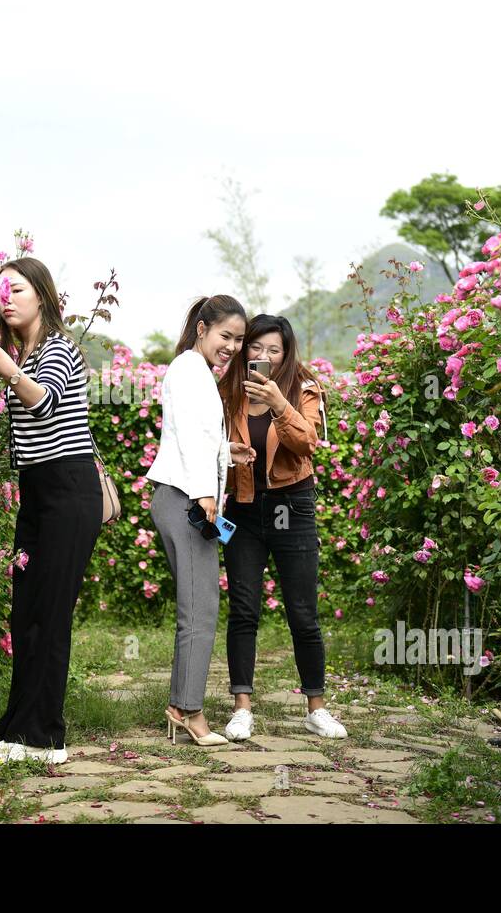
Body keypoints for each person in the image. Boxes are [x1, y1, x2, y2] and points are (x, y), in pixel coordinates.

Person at [0, 257, 102, 765]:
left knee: (48, 613)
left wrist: (3, 365)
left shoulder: (59, 349)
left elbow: (43, 403)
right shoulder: (25, 351)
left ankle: (47, 739)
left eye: (16, 289)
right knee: (25, 611)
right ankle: (19, 725)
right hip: (39, 490)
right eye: (1, 289)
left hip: (70, 491)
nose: (6, 297)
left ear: (41, 296)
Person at [216, 314, 347, 740]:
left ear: (286, 354)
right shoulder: (226, 390)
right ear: (245, 348)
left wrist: (277, 402)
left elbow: (307, 442)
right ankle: (242, 708)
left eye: (274, 350)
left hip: (293, 505)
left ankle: (316, 707)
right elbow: (209, 442)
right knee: (244, 609)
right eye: (256, 348)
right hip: (243, 509)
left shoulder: (304, 389)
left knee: (303, 612)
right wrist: (226, 452)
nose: (263, 356)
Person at [146, 294, 250, 746]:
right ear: (203, 328)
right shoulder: (190, 369)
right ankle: (186, 709)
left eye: (239, 340)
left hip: (183, 495)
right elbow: (188, 433)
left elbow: (194, 435)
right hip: (186, 498)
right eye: (225, 335)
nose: (231, 346)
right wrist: (206, 493)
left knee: (200, 607)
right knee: (200, 610)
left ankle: (183, 703)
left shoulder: (196, 372)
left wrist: (228, 452)